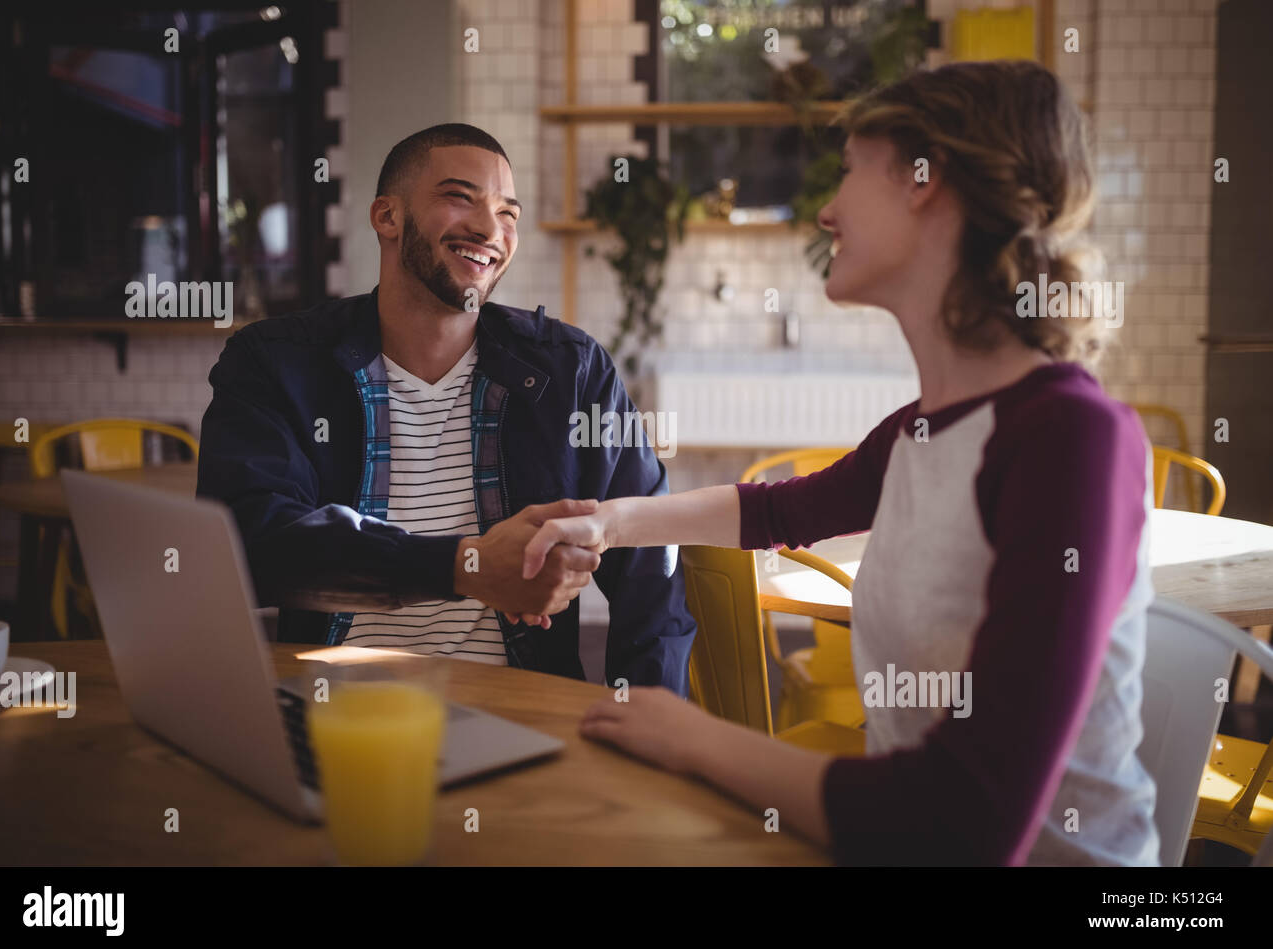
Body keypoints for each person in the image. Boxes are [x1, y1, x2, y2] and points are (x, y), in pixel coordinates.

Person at [521, 61, 1160, 865]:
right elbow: (777, 513)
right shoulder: (919, 433)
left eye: (851, 171)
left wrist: (696, 738)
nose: (826, 211)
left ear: (928, 180)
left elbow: (967, 822)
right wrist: (611, 520)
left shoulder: (1069, 436)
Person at [197, 123, 696, 693]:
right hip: (336, 708)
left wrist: (646, 716)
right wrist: (468, 566)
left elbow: (650, 561)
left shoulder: (572, 371)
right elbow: (251, 544)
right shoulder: (274, 362)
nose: (490, 228)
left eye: (509, 213)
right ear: (387, 217)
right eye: (460, 197)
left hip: (521, 712)